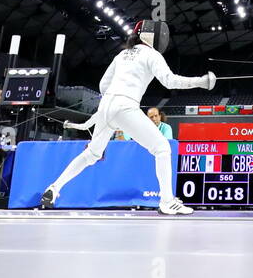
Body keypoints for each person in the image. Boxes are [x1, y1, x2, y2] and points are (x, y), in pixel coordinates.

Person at [40, 20, 214, 215]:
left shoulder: (122, 54)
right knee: (162, 148)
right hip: (125, 106)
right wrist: (201, 81)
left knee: (92, 154)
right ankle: (167, 201)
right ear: (150, 35)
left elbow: (103, 85)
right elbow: (170, 80)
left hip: (107, 105)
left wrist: (111, 105)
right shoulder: (151, 54)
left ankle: (54, 188)